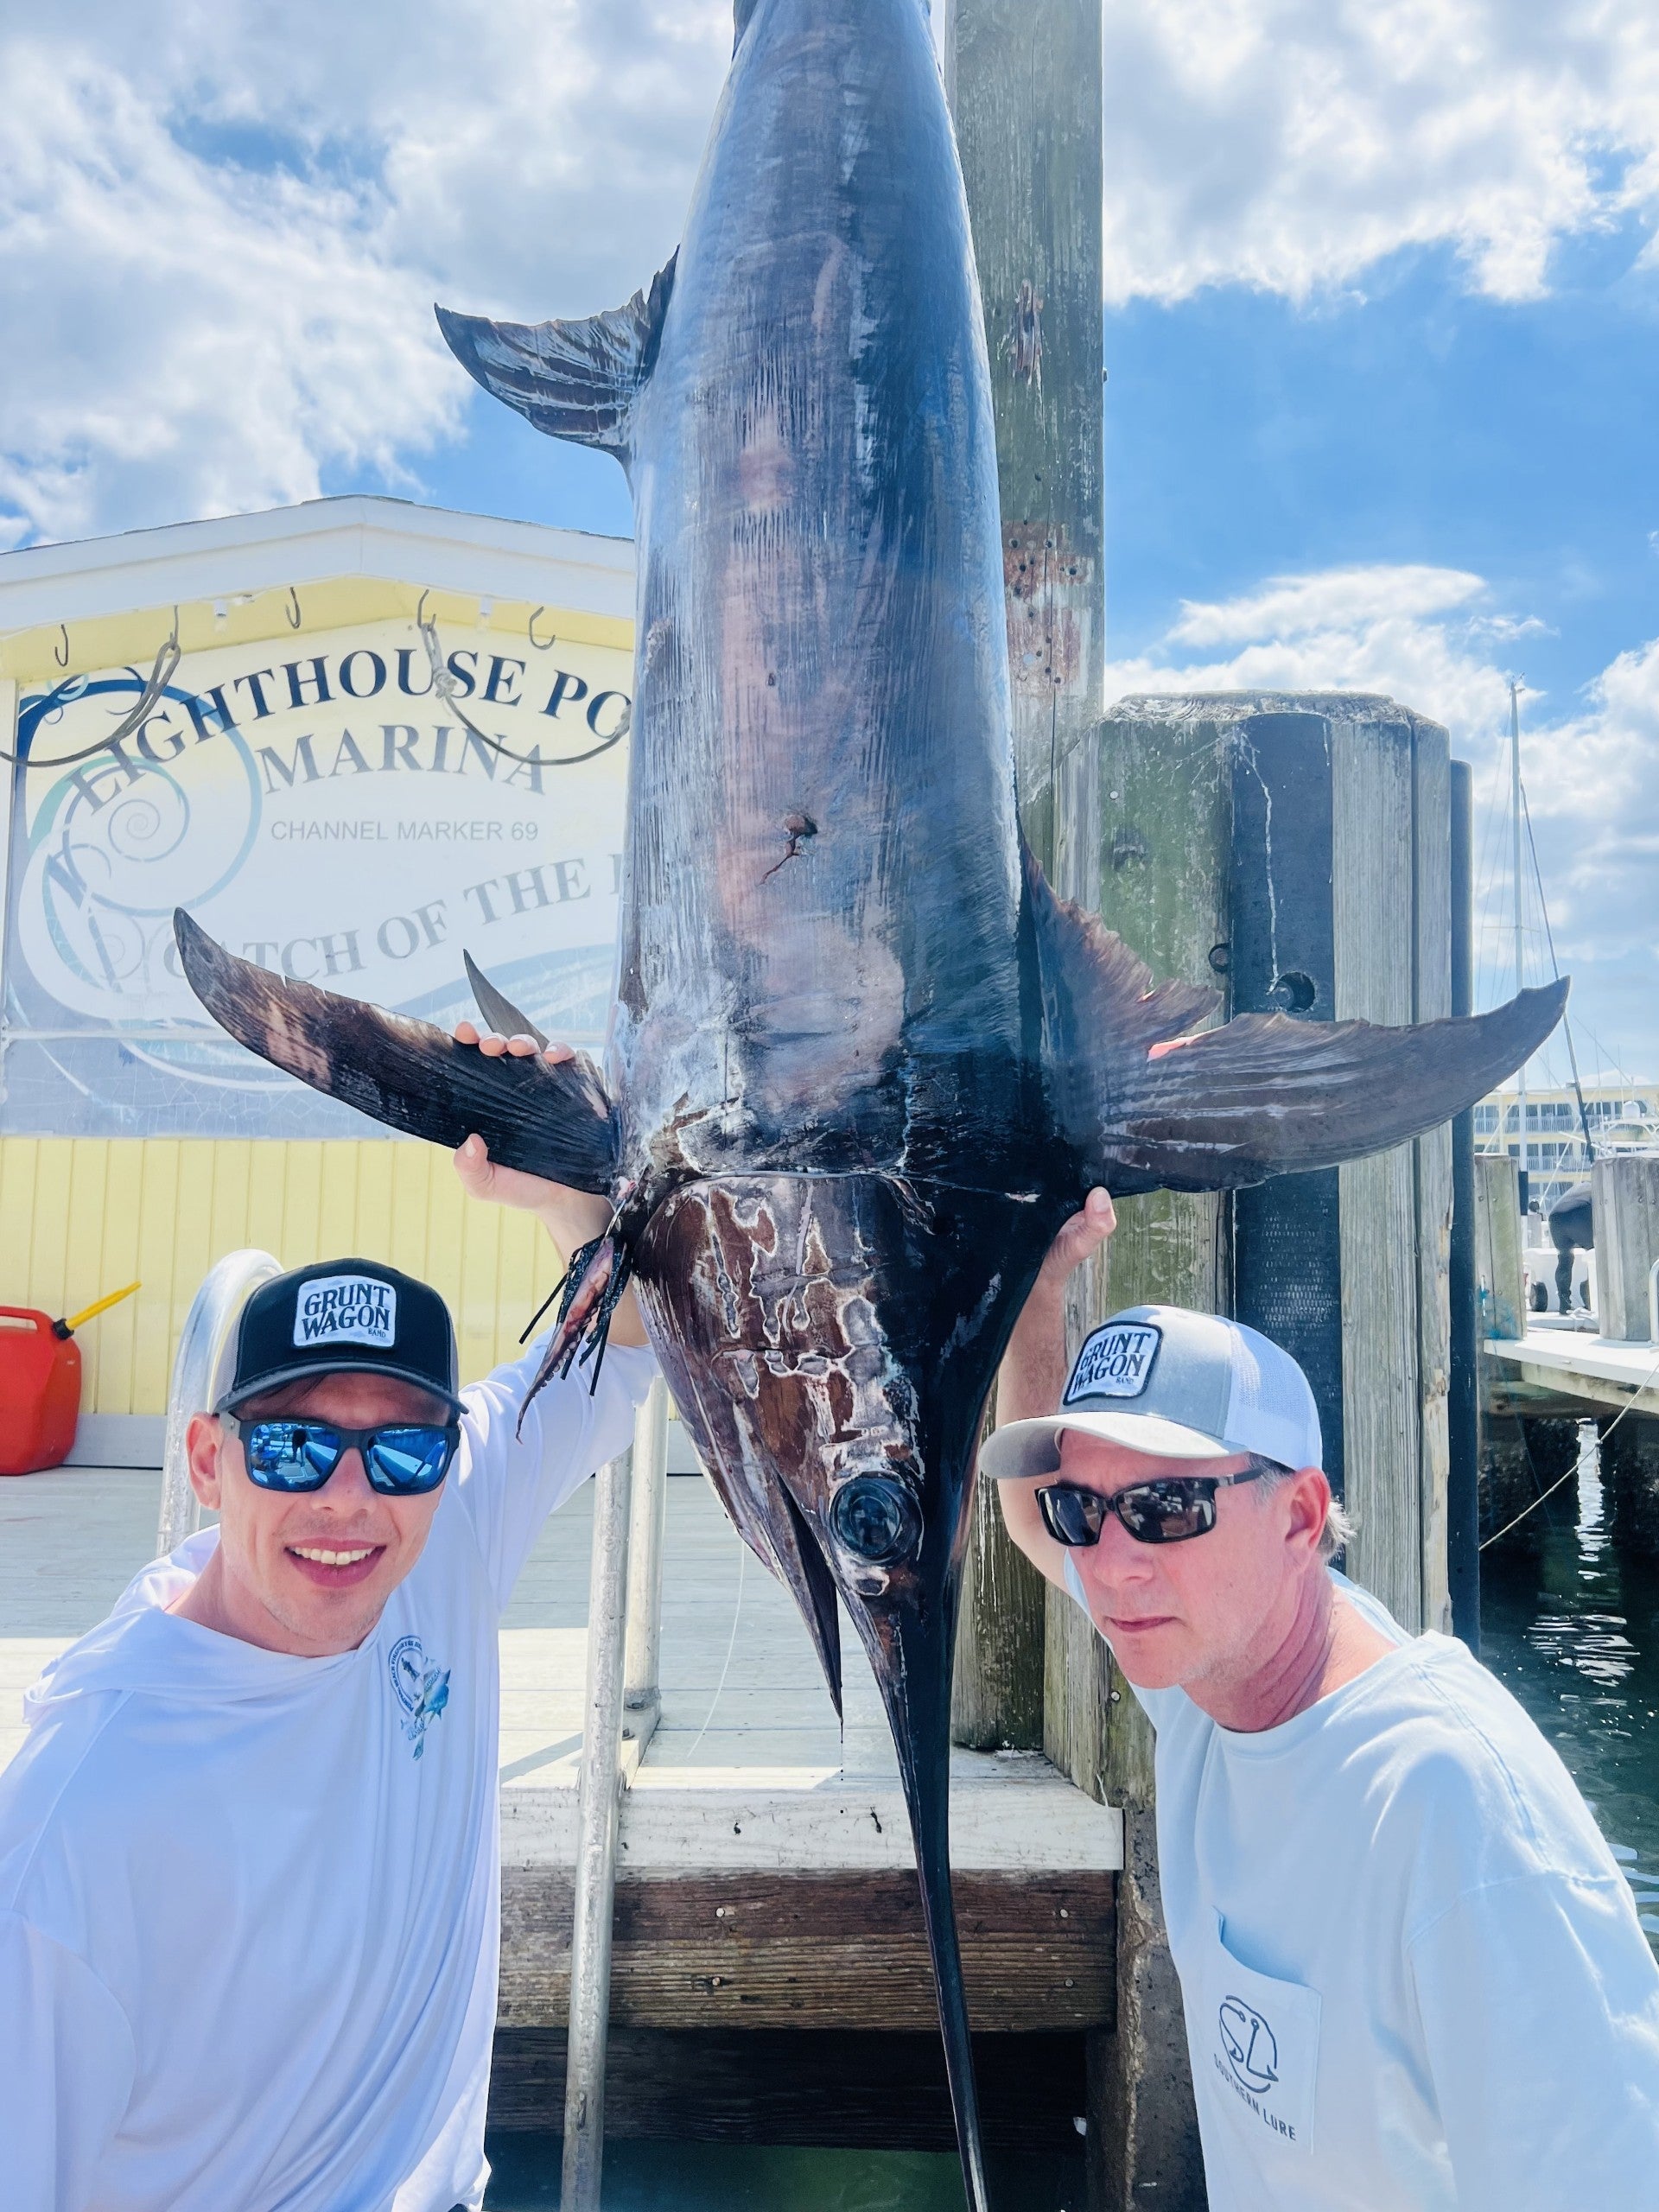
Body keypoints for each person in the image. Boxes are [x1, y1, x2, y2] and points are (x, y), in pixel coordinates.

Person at [0, 1026, 652, 2212]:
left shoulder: (445, 1526)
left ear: (446, 1459)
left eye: (400, 1449)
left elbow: (623, 1347)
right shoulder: (76, 1819)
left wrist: (570, 1192)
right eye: (294, 1447)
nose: (348, 1499)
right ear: (208, 1460)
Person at [990, 1189, 1659, 2212]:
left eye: (1167, 1506)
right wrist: (1040, 1290)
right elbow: (1029, 1521)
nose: (1112, 1563)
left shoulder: (1454, 1815)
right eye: (1086, 1506)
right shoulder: (1206, 1679)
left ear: (1300, 1516)